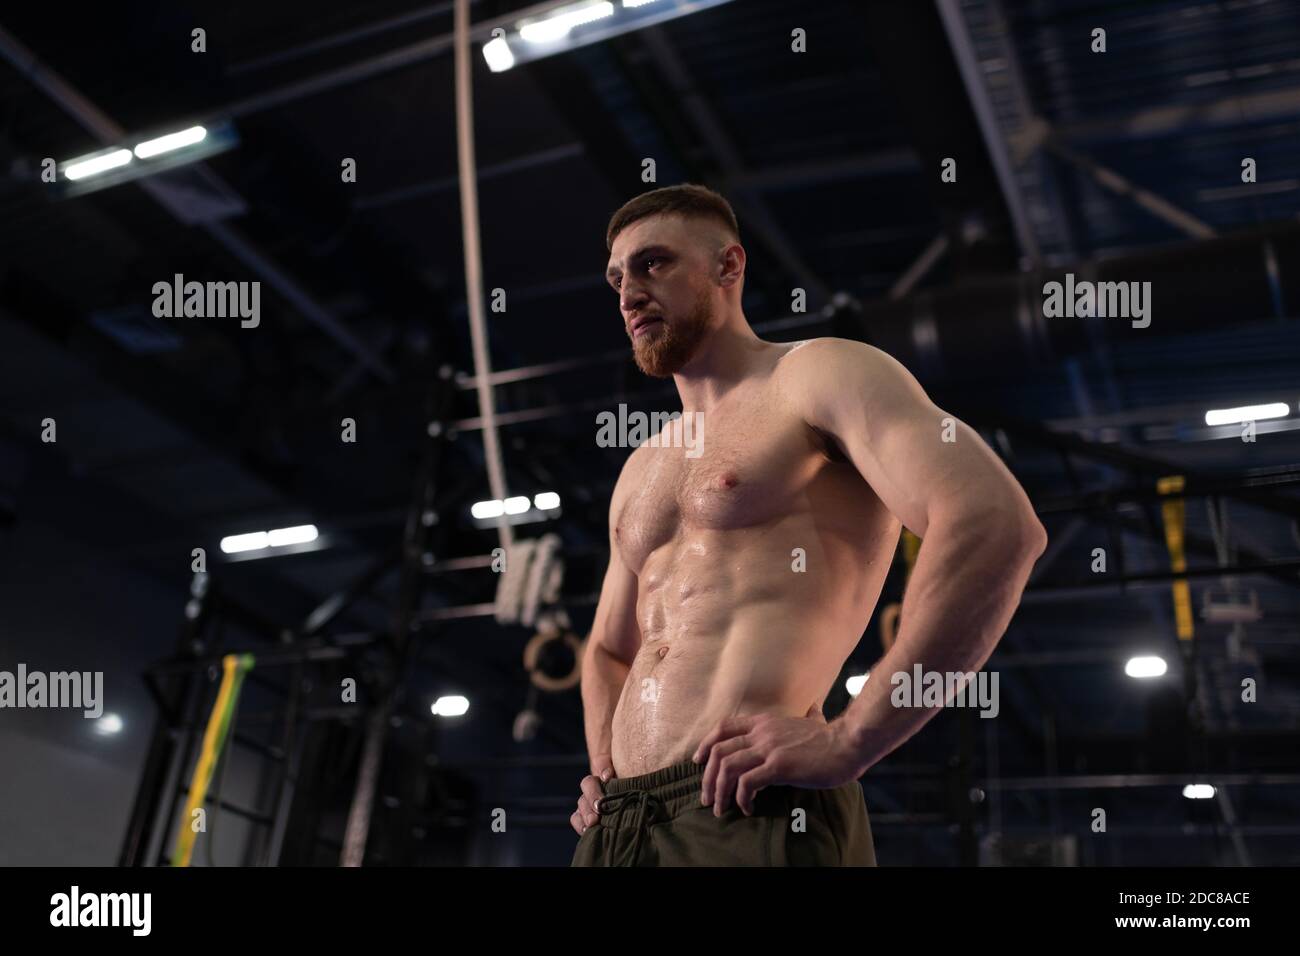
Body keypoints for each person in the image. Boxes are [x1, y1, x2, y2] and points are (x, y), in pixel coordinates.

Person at [570, 184, 1046, 866]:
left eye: (653, 265)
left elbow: (995, 522)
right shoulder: (643, 463)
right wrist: (605, 769)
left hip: (746, 801)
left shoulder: (819, 373)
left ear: (728, 267)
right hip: (620, 824)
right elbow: (609, 651)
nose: (628, 294)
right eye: (617, 278)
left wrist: (851, 739)